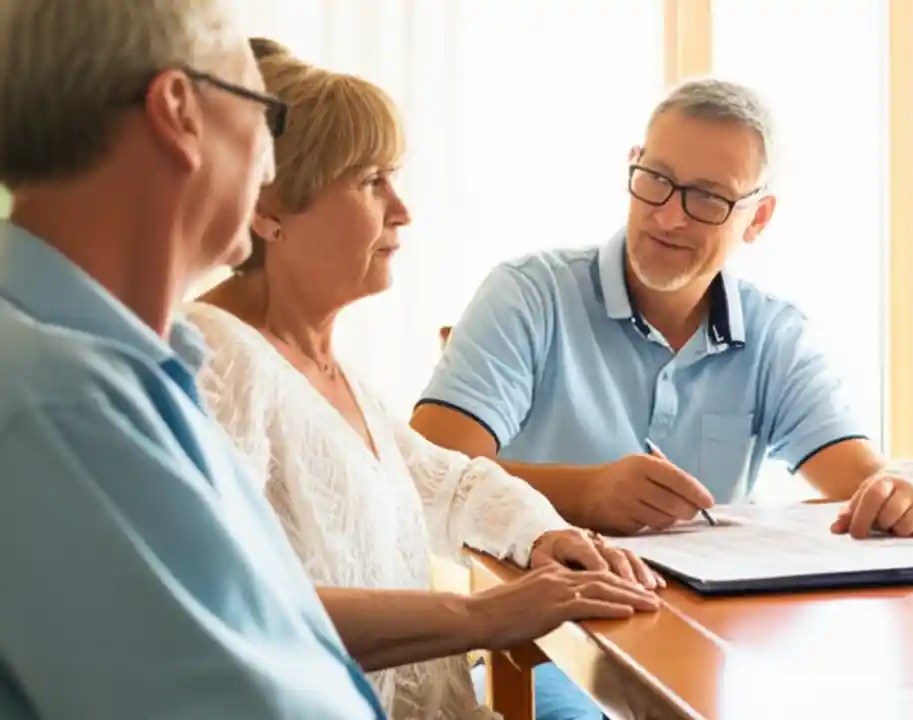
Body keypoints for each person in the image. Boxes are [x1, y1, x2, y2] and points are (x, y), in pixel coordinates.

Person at [411, 77, 913, 718]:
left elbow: (863, 483)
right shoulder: (529, 297)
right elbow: (425, 469)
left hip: (708, 651)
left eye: (708, 199)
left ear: (760, 217)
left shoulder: (776, 333)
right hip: (543, 652)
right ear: (631, 168)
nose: (668, 216)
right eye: (657, 180)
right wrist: (587, 495)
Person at [185, 41, 661, 720]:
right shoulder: (219, 357)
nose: (402, 210)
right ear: (269, 209)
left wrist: (545, 535)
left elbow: (449, 481)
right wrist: (478, 616)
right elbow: (229, 604)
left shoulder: (327, 364)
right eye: (370, 181)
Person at [0, 1, 388, 717]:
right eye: (268, 114)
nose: (272, 162)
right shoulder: (55, 400)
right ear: (179, 111)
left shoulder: (124, 366)